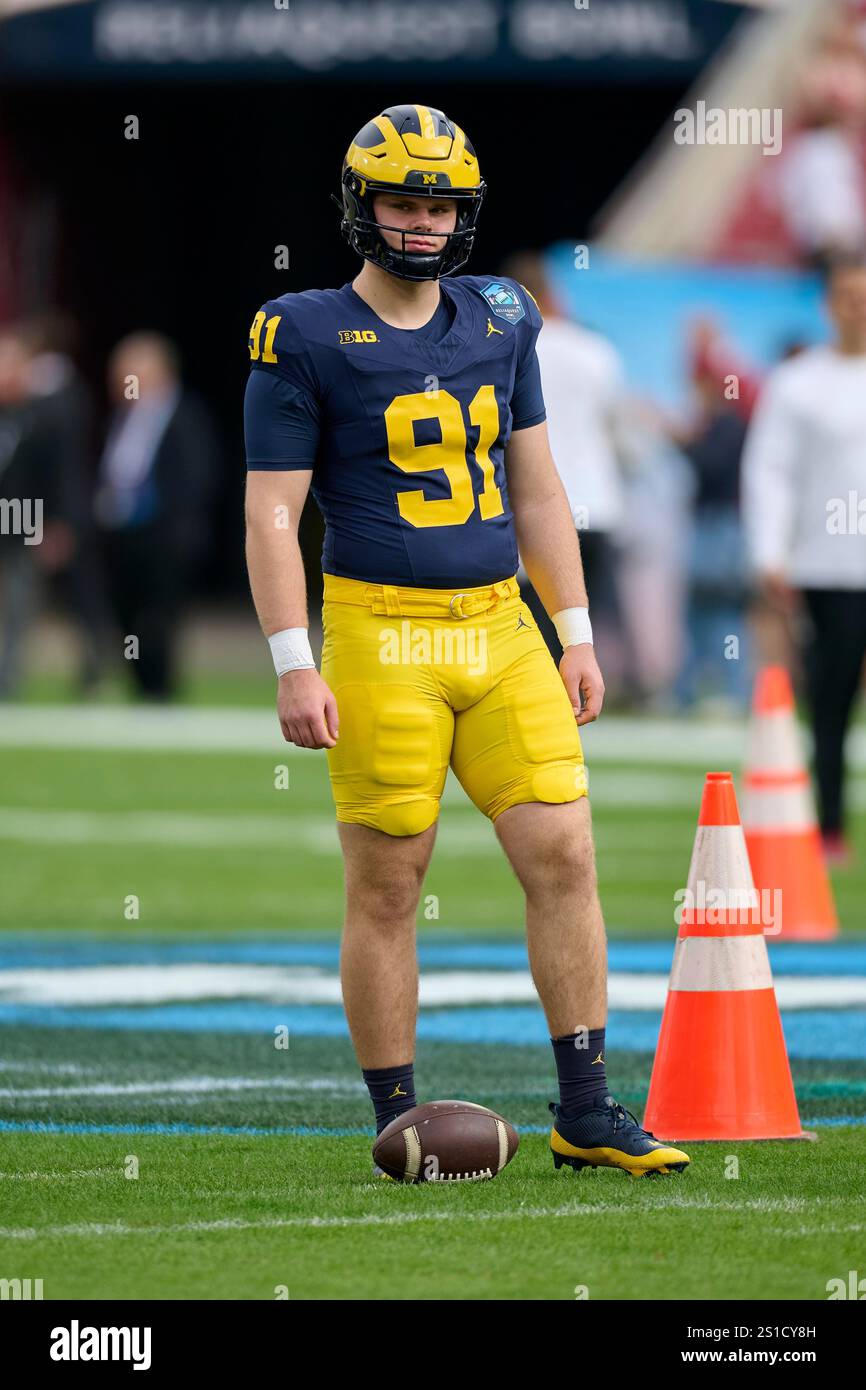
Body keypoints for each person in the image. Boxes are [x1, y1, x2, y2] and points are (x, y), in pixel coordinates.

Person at [244, 104, 689, 1178]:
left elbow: (539, 488)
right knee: (390, 883)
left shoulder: (500, 314)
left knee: (564, 853)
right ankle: (394, 1113)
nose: (423, 220)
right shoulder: (302, 329)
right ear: (359, 202)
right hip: (376, 627)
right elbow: (270, 511)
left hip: (501, 623)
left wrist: (575, 631)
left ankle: (584, 1108)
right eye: (403, 198)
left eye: (440, 200)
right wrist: (290, 659)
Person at [743, 254, 866, 862]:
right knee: (832, 699)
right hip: (831, 566)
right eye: (847, 294)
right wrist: (770, 551)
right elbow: (770, 470)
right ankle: (832, 827)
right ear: (829, 302)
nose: (857, 305)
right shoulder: (799, 383)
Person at [498, 251, 630, 687]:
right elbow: (619, 429)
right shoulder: (595, 349)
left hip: (534, 507)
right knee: (581, 630)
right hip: (596, 503)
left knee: (534, 632)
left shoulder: (507, 347)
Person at [96, 333, 218, 699]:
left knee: (158, 620)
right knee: (124, 616)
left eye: (130, 372)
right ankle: (140, 687)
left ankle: (159, 691)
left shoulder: (186, 415)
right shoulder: (120, 419)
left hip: (164, 538)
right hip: (122, 536)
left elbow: (199, 476)